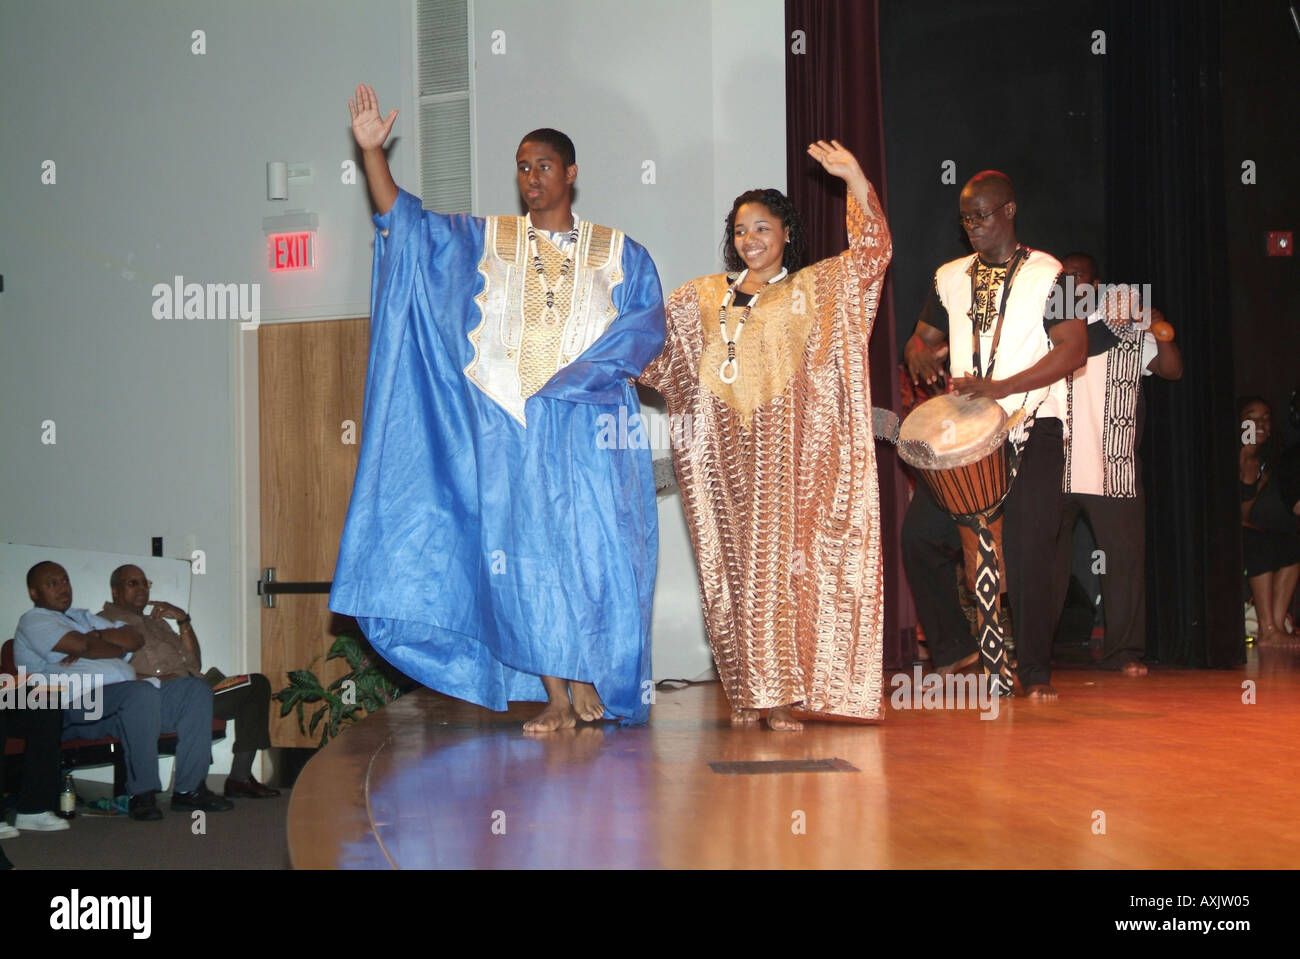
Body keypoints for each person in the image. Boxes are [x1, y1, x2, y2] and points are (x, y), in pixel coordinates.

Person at [329, 84, 665, 733]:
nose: (530, 177)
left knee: (595, 556)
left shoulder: (620, 253)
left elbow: (645, 328)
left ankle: (590, 673)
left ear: (570, 173)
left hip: (591, 430)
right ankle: (559, 696)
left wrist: (574, 383)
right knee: (528, 562)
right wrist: (372, 154)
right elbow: (407, 227)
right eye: (521, 166)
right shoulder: (483, 240)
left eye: (543, 165)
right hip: (512, 433)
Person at [639, 140, 892, 731]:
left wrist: (854, 178)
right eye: (740, 230)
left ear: (786, 233)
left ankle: (777, 697)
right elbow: (648, 347)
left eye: (761, 228)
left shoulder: (813, 291)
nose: (749, 239)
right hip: (719, 464)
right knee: (729, 573)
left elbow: (872, 255)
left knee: (778, 569)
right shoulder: (700, 297)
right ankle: (747, 690)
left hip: (788, 461)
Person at [902, 171, 1086, 701]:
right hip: (968, 430)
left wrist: (1000, 387)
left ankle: (1036, 672)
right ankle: (955, 647)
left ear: (1009, 211)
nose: (973, 227)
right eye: (966, 219)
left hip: (1033, 421)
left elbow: (1073, 349)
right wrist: (917, 351)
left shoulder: (1052, 275)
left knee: (1029, 546)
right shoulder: (950, 277)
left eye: (981, 215)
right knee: (919, 538)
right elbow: (922, 338)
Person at [13, 561, 233, 820]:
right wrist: (101, 644)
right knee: (139, 693)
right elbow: (82, 646)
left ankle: (190, 790)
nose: (63, 587)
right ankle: (142, 794)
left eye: (65, 580)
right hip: (76, 706)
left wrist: (94, 639)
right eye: (52, 583)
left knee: (195, 689)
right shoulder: (34, 620)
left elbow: (134, 638)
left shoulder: (82, 617)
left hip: (124, 701)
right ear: (34, 593)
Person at [1052, 253, 1183, 675]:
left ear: (1097, 284)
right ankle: (1035, 650)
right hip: (1056, 462)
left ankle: (1124, 652)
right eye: (1064, 276)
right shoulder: (1048, 326)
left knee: (1124, 564)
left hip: (1114, 463)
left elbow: (1172, 370)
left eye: (1079, 275)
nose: (1071, 281)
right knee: (1044, 561)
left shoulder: (1128, 321)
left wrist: (1160, 332)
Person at [99, 565, 280, 798]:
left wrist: (183, 620)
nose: (142, 588)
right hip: (159, 697)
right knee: (199, 689)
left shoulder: (157, 622)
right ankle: (192, 789)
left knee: (255, 685)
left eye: (145, 583)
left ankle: (240, 777)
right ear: (115, 591)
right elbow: (109, 674)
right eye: (133, 583)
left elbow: (195, 663)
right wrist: (158, 679)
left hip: (196, 687)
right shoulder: (103, 624)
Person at [1239, 396, 1300, 644]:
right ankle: (1267, 629)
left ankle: (1276, 624)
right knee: (1261, 544)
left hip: (1244, 528)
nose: (1260, 424)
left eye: (1265, 418)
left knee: (1292, 545)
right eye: (1252, 418)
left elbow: (1245, 514)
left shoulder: (1263, 463)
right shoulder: (1232, 456)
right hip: (1219, 532)